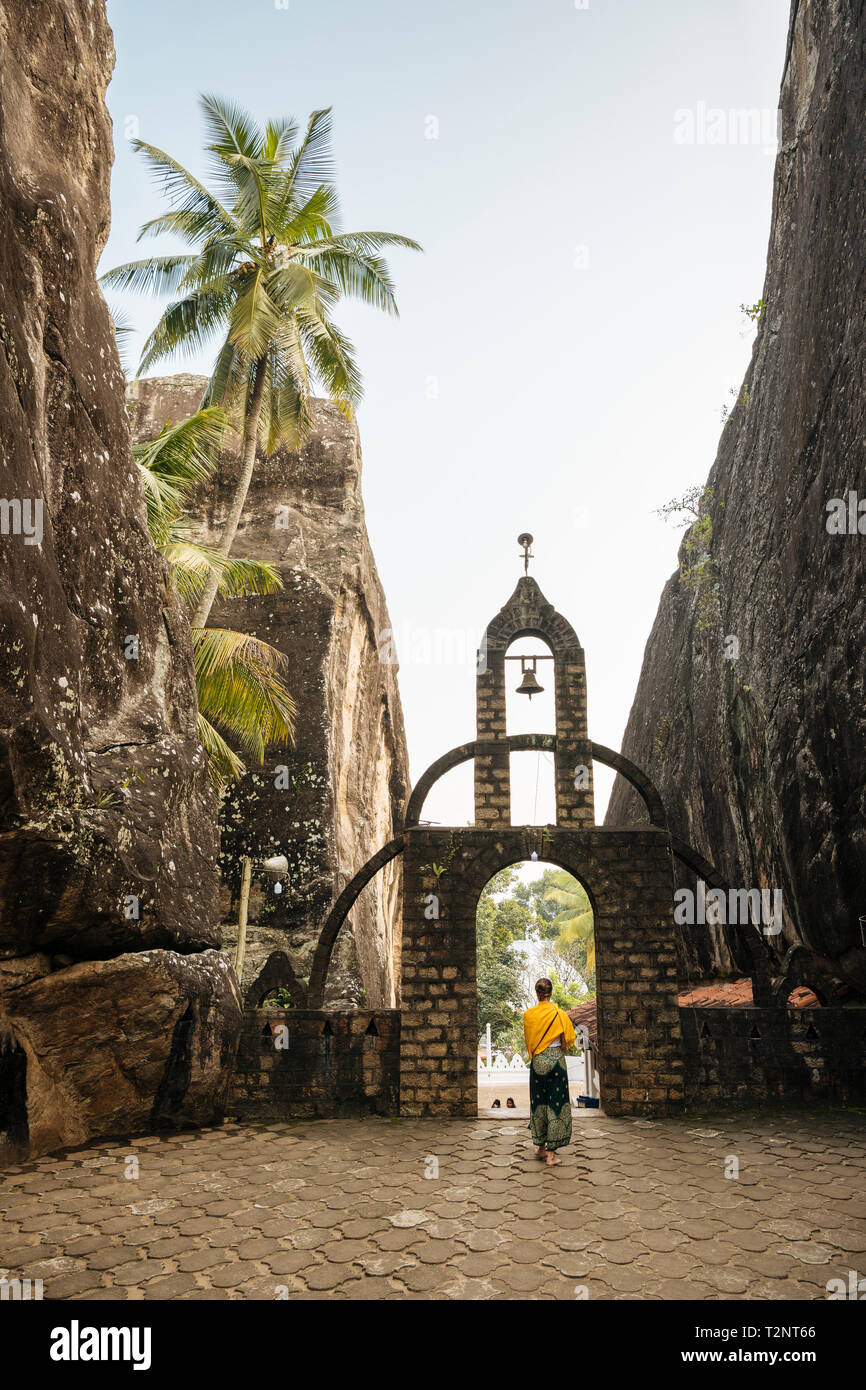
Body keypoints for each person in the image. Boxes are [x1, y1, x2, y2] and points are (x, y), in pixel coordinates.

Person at [523, 978, 576, 1166]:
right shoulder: (560, 1014)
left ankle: (540, 1147)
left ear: (537, 993)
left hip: (538, 1062)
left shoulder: (529, 1015)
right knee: (556, 1104)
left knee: (539, 1104)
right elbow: (565, 1042)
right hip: (556, 1063)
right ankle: (552, 1156)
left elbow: (529, 1042)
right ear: (550, 993)